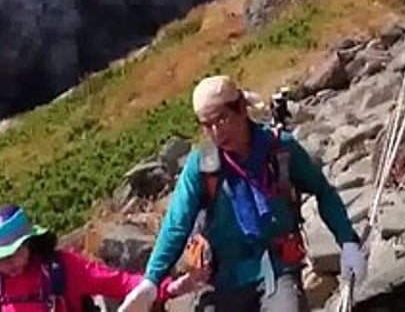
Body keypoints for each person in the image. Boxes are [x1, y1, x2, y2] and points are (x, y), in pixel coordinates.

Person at [117, 75, 368, 312]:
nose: (216, 132)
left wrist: (347, 240)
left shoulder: (280, 149)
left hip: (276, 268)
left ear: (241, 109)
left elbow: (322, 190)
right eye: (207, 125)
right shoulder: (201, 166)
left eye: (222, 120)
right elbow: (176, 224)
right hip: (223, 278)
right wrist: (152, 280)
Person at [0, 204, 199, 311]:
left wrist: (170, 287)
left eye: (14, 253)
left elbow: (120, 283)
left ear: (29, 243)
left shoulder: (60, 268)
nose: (8, 264)